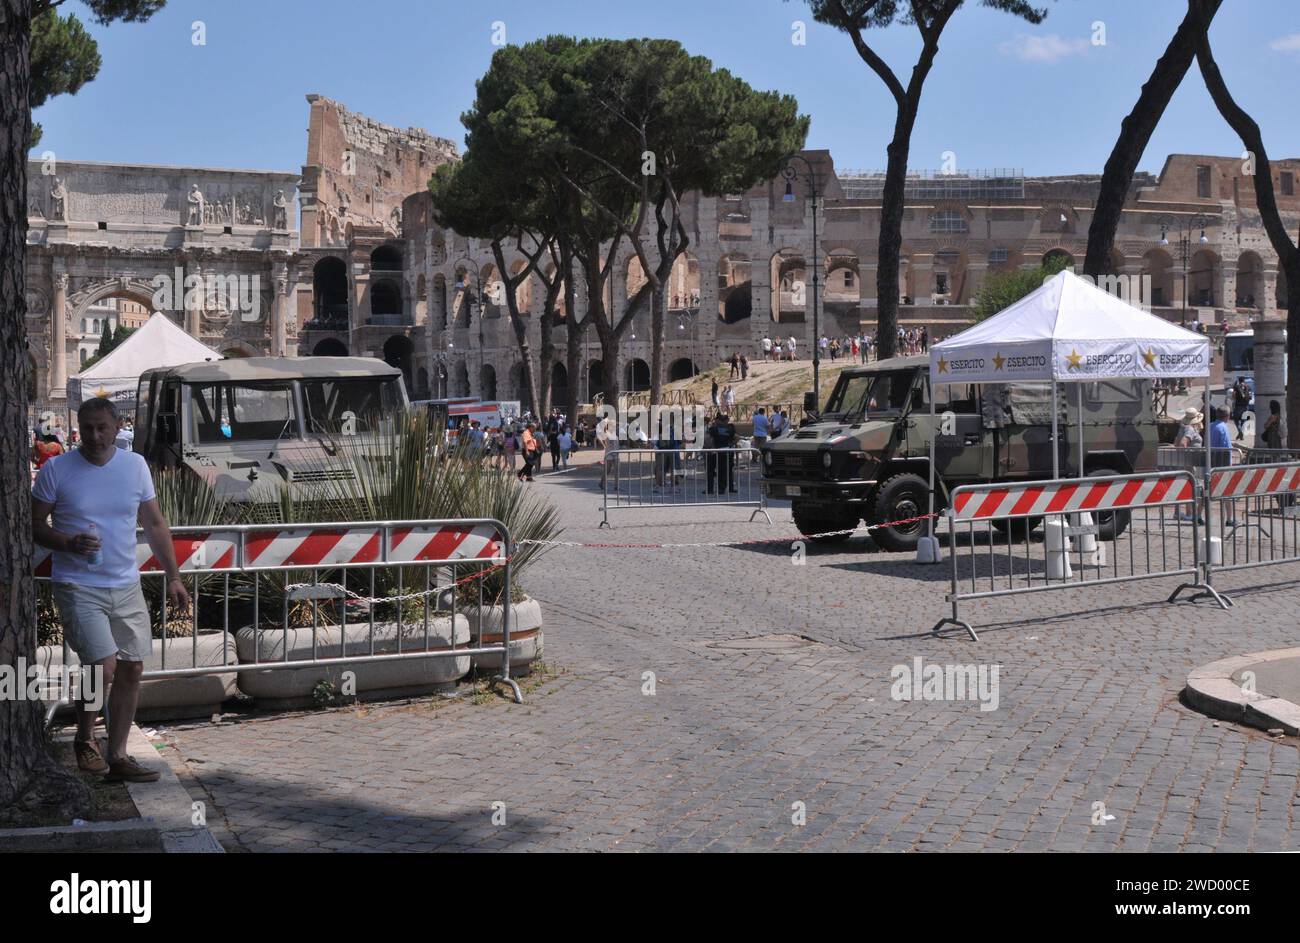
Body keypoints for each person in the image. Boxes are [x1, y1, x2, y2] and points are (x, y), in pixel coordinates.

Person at [32, 398, 191, 783]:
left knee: (133, 667)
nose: (94, 436)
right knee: (102, 666)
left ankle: (118, 755)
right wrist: (67, 543)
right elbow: (33, 525)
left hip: (126, 583)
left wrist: (173, 576)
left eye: (102, 427)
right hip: (78, 584)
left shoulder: (134, 466)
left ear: (118, 425)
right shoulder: (57, 469)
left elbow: (154, 523)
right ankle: (86, 739)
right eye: (86, 428)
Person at [597, 413, 619, 490]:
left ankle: (616, 486)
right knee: (607, 470)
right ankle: (601, 482)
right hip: (609, 454)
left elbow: (616, 445)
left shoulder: (615, 435)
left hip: (616, 454)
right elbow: (601, 438)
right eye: (613, 425)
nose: (614, 427)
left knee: (617, 470)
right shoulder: (607, 434)